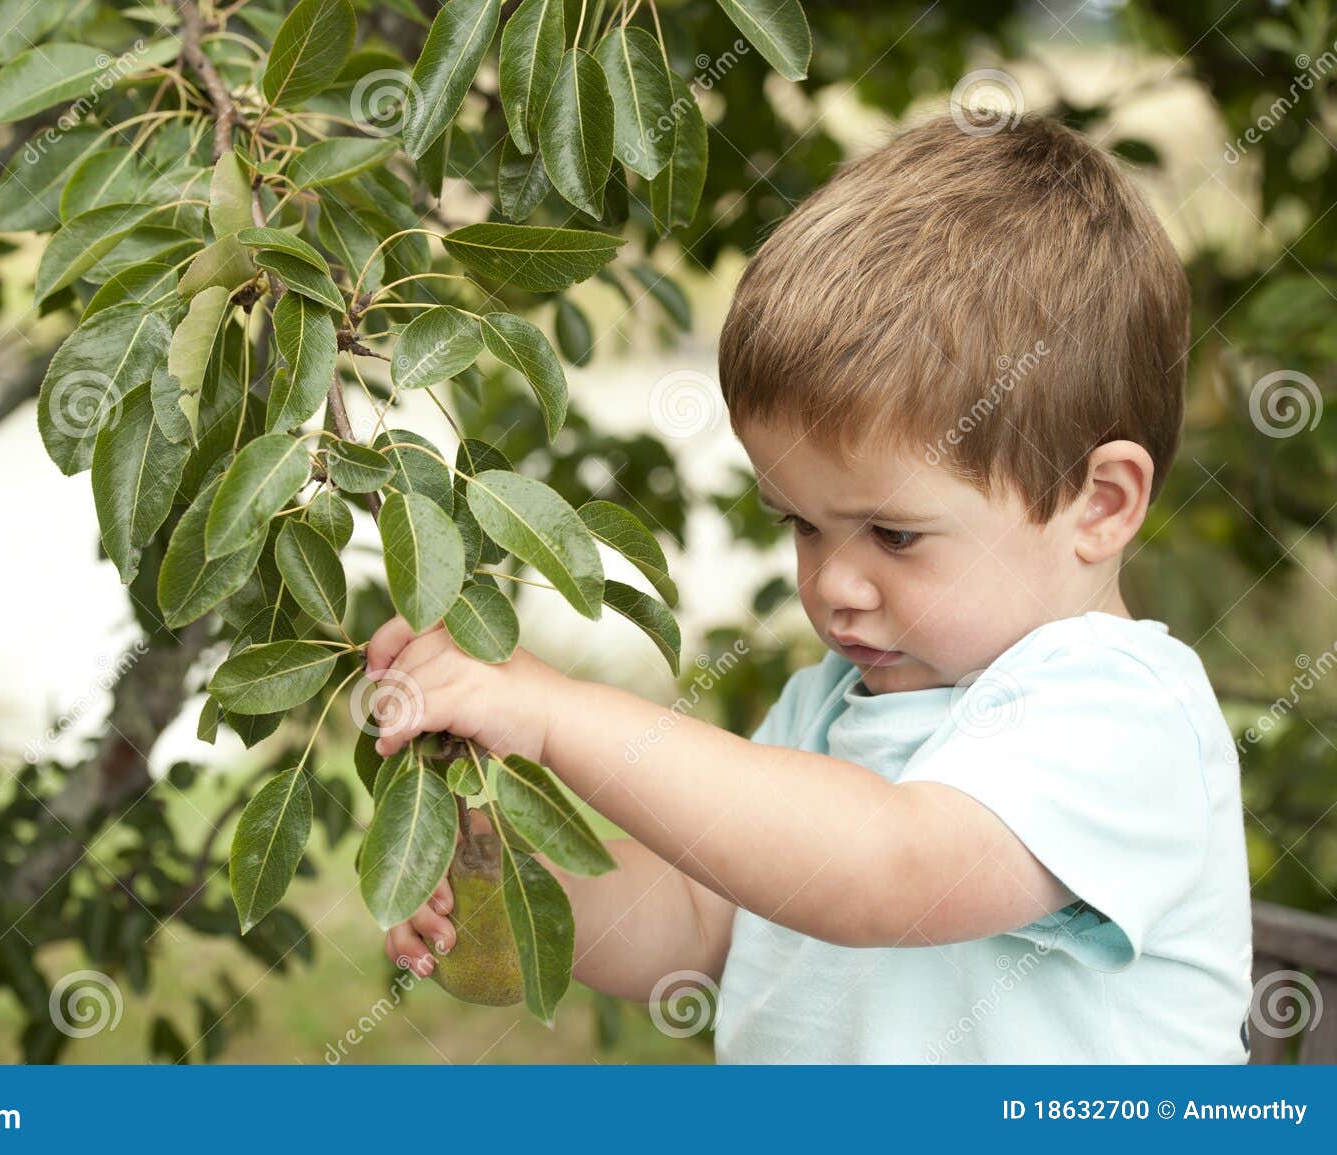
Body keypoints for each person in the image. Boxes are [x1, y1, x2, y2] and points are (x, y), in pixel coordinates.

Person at [365, 113, 1252, 1063]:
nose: (832, 585)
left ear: (1098, 503)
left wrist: (556, 713)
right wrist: (490, 856)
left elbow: (889, 873)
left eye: (895, 534)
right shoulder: (829, 704)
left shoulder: (1120, 707)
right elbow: (698, 917)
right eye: (800, 524)